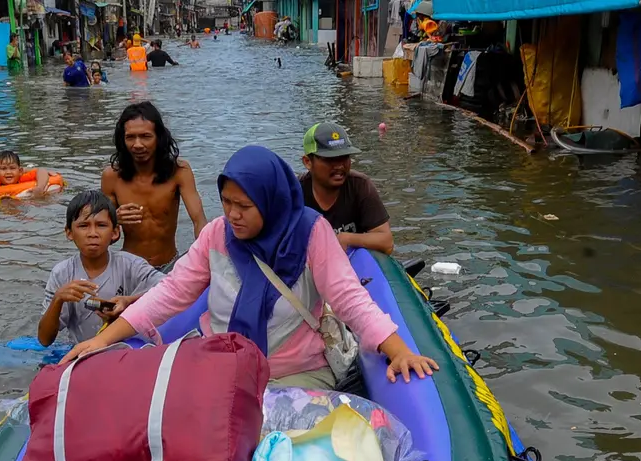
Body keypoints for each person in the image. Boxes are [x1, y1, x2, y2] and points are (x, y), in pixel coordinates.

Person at [66, 146, 439, 388]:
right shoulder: (216, 235)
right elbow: (172, 293)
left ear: (271, 200)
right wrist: (100, 341)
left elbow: (349, 299)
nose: (232, 215)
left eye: (244, 206)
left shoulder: (311, 234)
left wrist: (399, 350)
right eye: (226, 202)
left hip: (294, 373)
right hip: (220, 365)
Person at [39, 190, 164, 345]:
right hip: (83, 353)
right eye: (83, 226)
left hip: (127, 349)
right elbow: (44, 339)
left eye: (101, 225)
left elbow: (171, 288)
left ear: (115, 232)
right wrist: (57, 300)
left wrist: (129, 301)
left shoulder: (131, 265)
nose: (93, 233)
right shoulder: (62, 273)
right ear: (69, 233)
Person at [101, 102, 208, 271]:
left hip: (170, 266)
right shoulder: (112, 176)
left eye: (145, 136)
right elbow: (101, 238)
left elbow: (199, 222)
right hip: (129, 268)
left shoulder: (179, 171)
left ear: (159, 137)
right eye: (130, 137)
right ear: (122, 140)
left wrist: (204, 262)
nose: (137, 144)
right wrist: (112, 220)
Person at [299, 122, 394, 254]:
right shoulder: (295, 192)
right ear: (308, 162)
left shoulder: (360, 185)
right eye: (330, 159)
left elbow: (386, 242)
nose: (339, 166)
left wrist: (347, 238)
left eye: (344, 158)